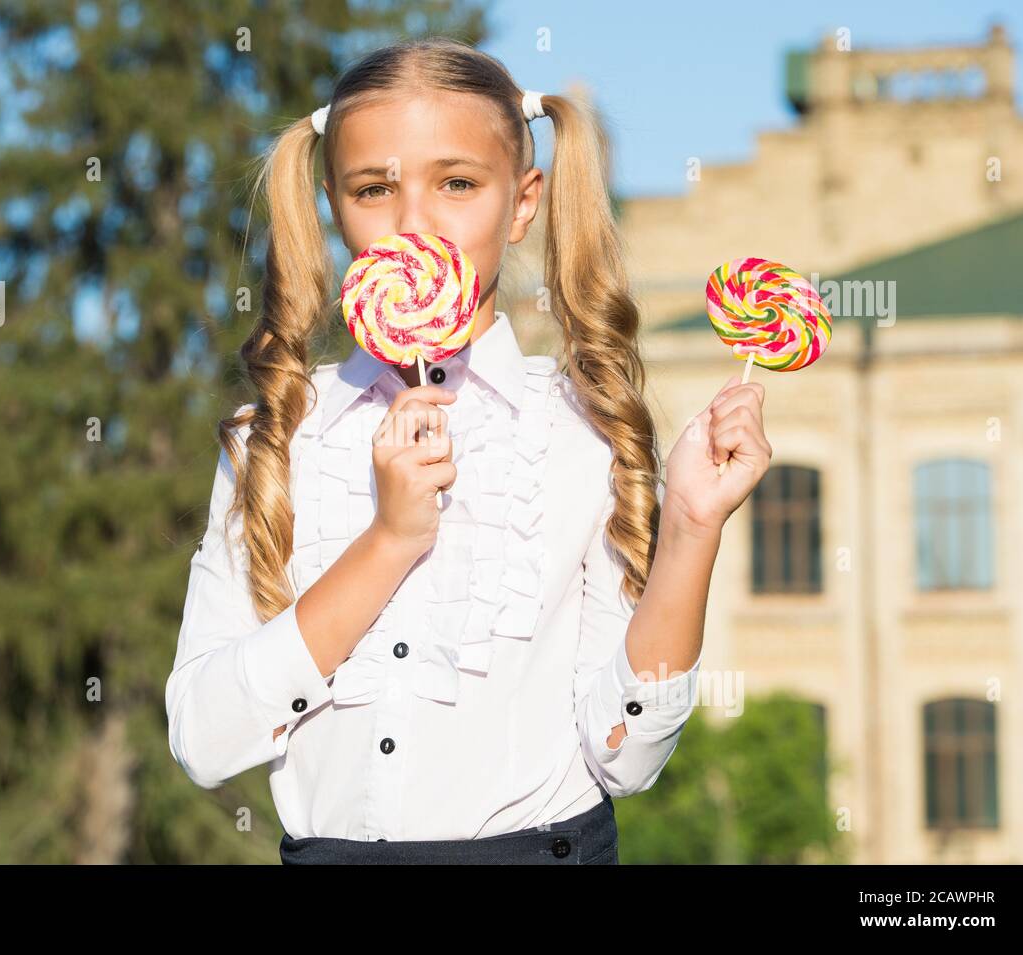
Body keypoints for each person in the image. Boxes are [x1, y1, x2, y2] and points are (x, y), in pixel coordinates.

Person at [165, 37, 771, 864]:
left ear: (523, 203)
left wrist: (693, 528)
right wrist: (388, 542)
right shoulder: (275, 437)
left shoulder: (581, 432)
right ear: (333, 207)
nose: (414, 222)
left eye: (457, 184)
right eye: (373, 189)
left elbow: (624, 756)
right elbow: (203, 736)